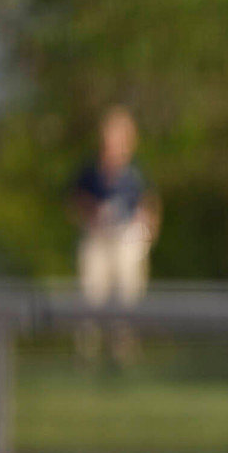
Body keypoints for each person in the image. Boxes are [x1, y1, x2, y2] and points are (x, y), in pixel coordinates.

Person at [70, 106, 160, 365]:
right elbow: (75, 201)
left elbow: (150, 206)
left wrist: (147, 232)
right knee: (90, 293)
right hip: (98, 237)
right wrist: (92, 214)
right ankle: (87, 353)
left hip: (127, 239)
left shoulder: (136, 173)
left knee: (128, 292)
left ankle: (123, 353)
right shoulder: (89, 171)